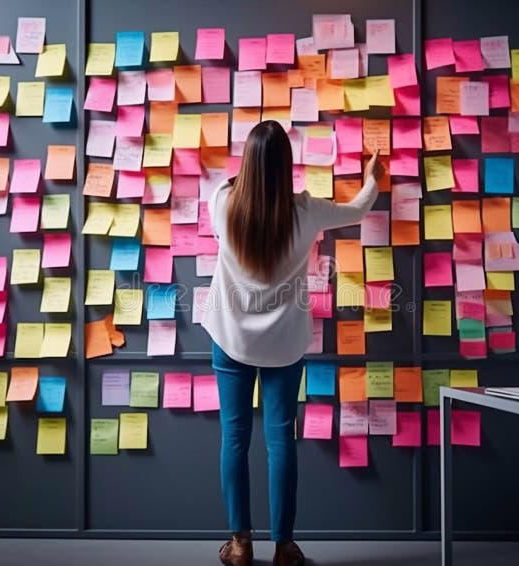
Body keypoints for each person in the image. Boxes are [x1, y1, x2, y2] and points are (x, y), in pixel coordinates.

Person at [202, 120, 385, 566]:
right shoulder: (308, 211)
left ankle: (240, 544)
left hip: (230, 339)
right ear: (287, 167)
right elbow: (358, 209)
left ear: (247, 165)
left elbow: (225, 183)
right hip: (285, 345)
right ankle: (284, 547)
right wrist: (373, 178)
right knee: (280, 439)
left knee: (234, 438)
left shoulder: (222, 203)